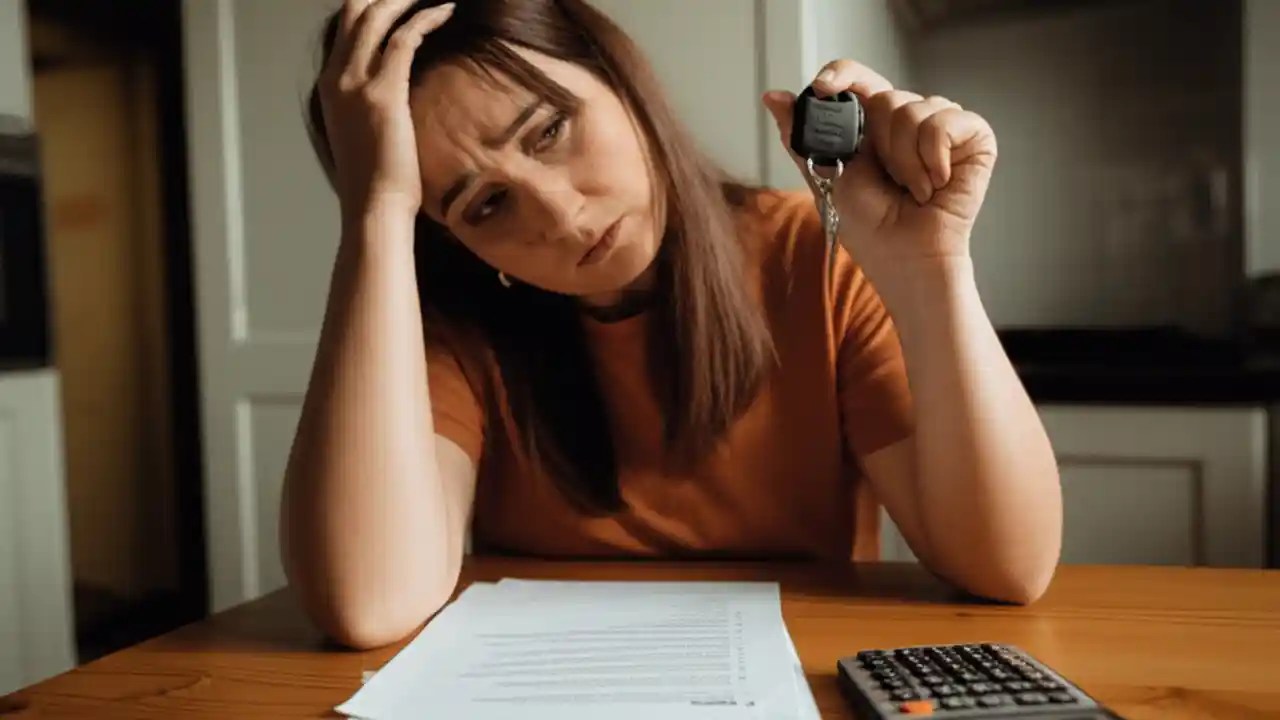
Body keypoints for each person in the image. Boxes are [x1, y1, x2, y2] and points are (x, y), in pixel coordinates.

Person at [280, 0, 1063, 650]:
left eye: (550, 131)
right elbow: (368, 603)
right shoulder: (456, 328)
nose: (557, 213)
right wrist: (375, 213)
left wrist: (929, 272)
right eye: (484, 205)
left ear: (621, 78)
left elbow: (1008, 569)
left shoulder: (812, 256)